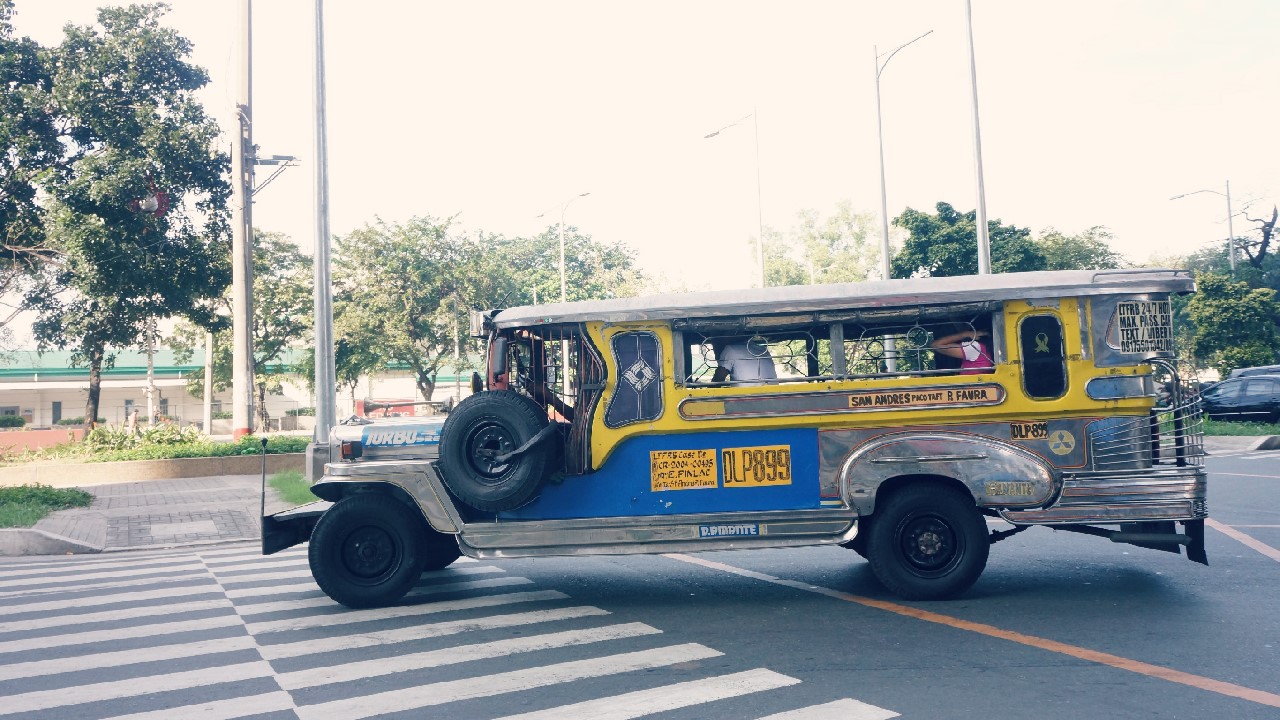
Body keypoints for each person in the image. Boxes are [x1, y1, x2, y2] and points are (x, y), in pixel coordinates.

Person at [711, 337, 778, 385]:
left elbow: (718, 379)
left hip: (746, 400)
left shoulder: (730, 349)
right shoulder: (763, 350)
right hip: (774, 396)